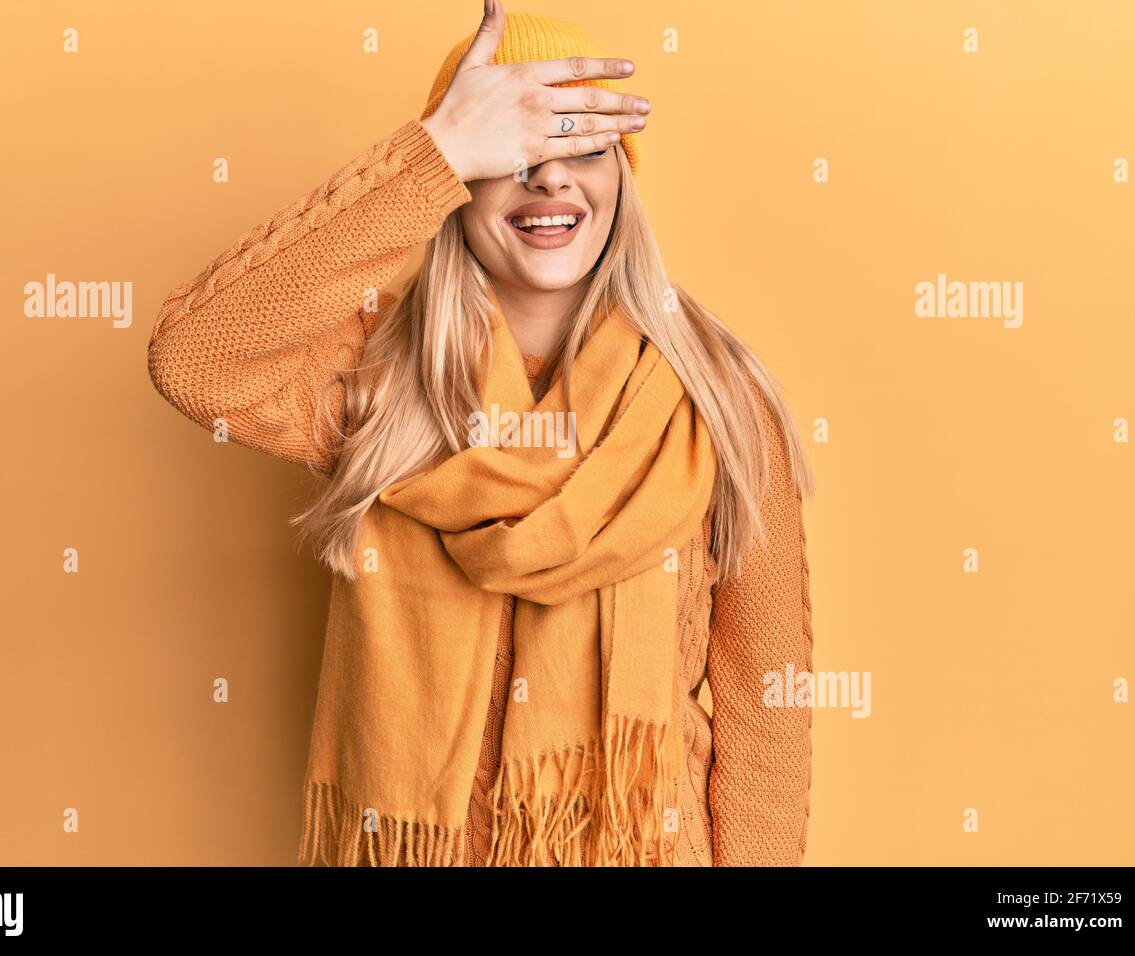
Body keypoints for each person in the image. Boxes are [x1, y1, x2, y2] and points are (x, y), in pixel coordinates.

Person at [147, 1, 816, 867]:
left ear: (622, 174)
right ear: (462, 182)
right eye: (514, 153)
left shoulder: (715, 399)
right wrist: (432, 154)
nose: (551, 181)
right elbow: (197, 358)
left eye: (583, 148)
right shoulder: (379, 383)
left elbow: (767, 710)